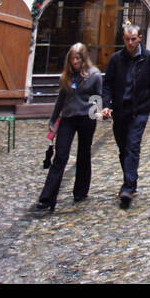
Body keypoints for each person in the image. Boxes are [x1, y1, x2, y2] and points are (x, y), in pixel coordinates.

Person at [100, 23, 150, 208]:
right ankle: (131, 181)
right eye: (127, 39)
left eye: (133, 39)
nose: (130, 43)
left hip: (139, 110)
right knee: (123, 148)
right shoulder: (116, 59)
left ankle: (127, 186)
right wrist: (106, 105)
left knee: (133, 146)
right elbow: (107, 84)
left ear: (140, 38)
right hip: (120, 110)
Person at [35, 43, 102, 211]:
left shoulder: (94, 75)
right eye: (72, 58)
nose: (75, 62)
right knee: (61, 156)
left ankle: (80, 191)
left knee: (84, 154)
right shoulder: (67, 76)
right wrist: (53, 120)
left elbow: (97, 96)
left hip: (86, 118)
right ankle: (47, 197)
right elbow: (61, 99)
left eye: (78, 58)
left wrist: (96, 116)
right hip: (68, 118)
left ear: (84, 58)